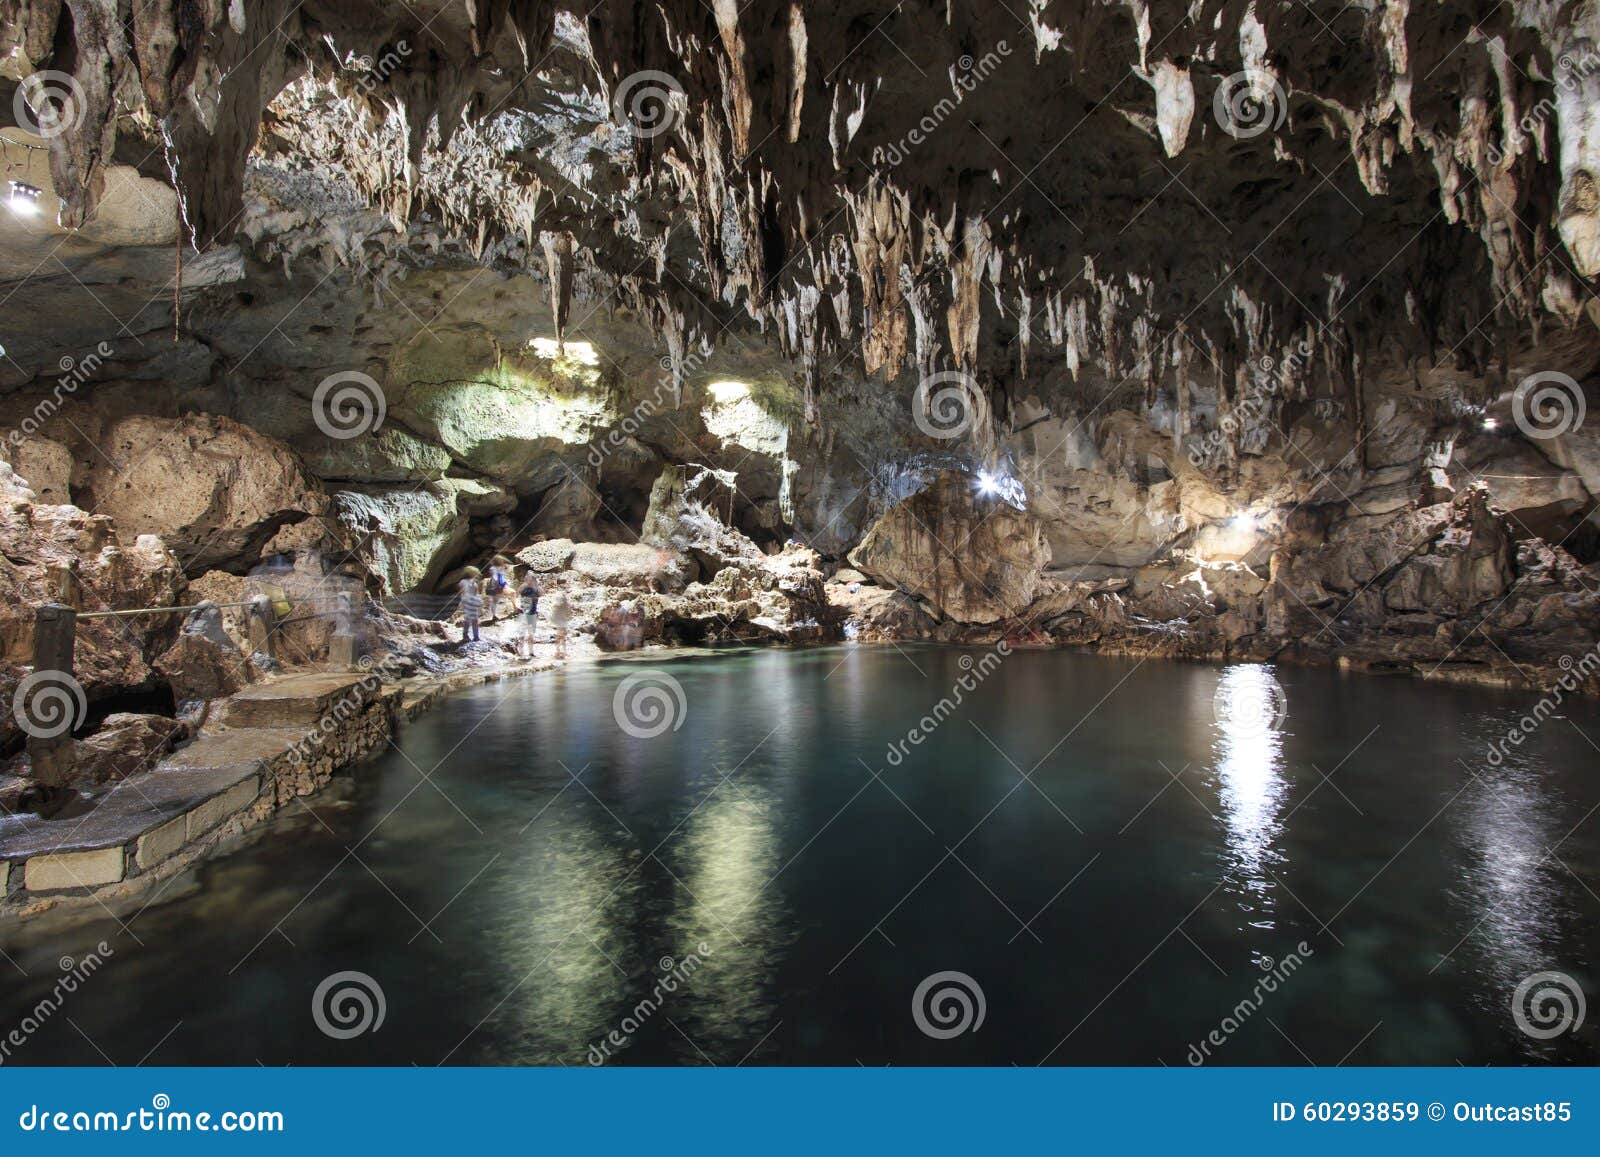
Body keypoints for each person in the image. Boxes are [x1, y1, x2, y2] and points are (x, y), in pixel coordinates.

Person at [517, 569, 541, 659]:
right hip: (524, 613)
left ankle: (531, 652)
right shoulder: (523, 587)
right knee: (522, 633)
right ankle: (521, 651)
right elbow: (519, 594)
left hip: (532, 613)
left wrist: (536, 585)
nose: (530, 580)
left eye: (532, 579)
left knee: (531, 634)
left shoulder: (536, 588)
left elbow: (542, 593)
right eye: (529, 578)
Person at [458, 567, 484, 643]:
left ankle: (476, 637)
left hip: (473, 602)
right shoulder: (463, 581)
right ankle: (465, 635)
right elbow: (462, 591)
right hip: (467, 602)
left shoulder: (474, 583)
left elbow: (476, 593)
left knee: (475, 620)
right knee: (468, 620)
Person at [547, 589, 572, 659]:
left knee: (559, 636)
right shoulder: (565, 604)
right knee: (563, 637)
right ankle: (563, 651)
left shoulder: (555, 605)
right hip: (563, 622)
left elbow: (552, 614)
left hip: (558, 622)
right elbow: (568, 613)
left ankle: (558, 651)